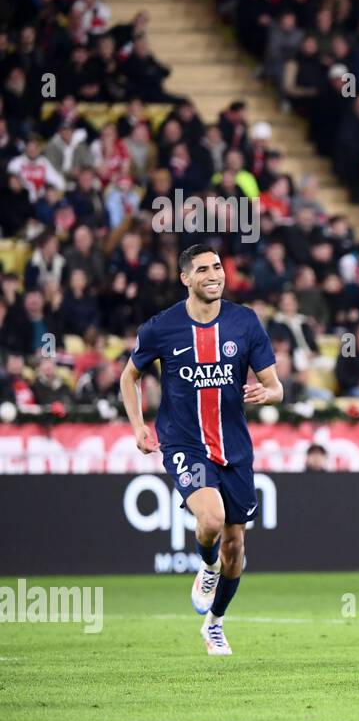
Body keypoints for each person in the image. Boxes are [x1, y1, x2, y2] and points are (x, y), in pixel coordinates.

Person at [119, 245, 283, 656]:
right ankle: (206, 568)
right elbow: (129, 376)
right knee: (211, 518)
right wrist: (139, 426)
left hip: (234, 448)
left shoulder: (244, 322)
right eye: (203, 269)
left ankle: (215, 623)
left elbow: (276, 385)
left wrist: (270, 393)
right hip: (184, 442)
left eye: (218, 267)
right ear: (185, 278)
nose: (214, 274)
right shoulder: (162, 327)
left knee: (236, 547)